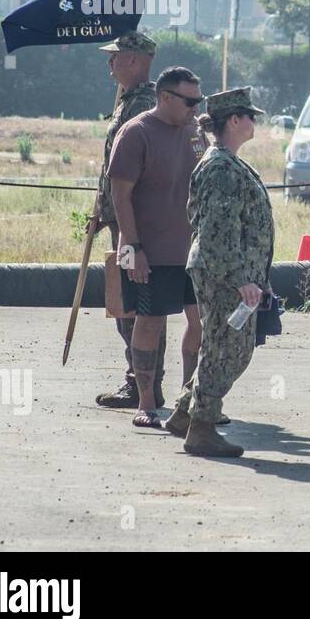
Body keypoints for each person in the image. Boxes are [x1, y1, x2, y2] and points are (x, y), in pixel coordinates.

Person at [163, 88, 275, 457]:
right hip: (224, 273)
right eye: (250, 115)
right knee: (228, 350)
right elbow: (218, 230)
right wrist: (242, 278)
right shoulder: (221, 168)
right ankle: (203, 428)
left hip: (227, 271)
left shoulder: (227, 162)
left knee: (220, 346)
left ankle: (184, 414)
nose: (254, 122)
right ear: (234, 121)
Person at [107, 66, 208, 429]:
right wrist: (132, 247)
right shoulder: (136, 133)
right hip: (150, 250)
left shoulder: (197, 134)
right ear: (165, 97)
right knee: (149, 323)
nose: (196, 108)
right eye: (189, 101)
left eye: (199, 100)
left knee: (200, 323)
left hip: (195, 253)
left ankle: (191, 398)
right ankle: (147, 402)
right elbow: (120, 195)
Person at [89, 30, 159, 409]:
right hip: (121, 219)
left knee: (135, 300)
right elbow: (113, 169)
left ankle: (142, 383)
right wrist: (103, 209)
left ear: (134, 59)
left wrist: (118, 214)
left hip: (136, 223)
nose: (109, 62)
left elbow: (134, 171)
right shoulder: (127, 102)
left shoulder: (143, 105)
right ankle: (139, 377)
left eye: (115, 56)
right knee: (126, 298)